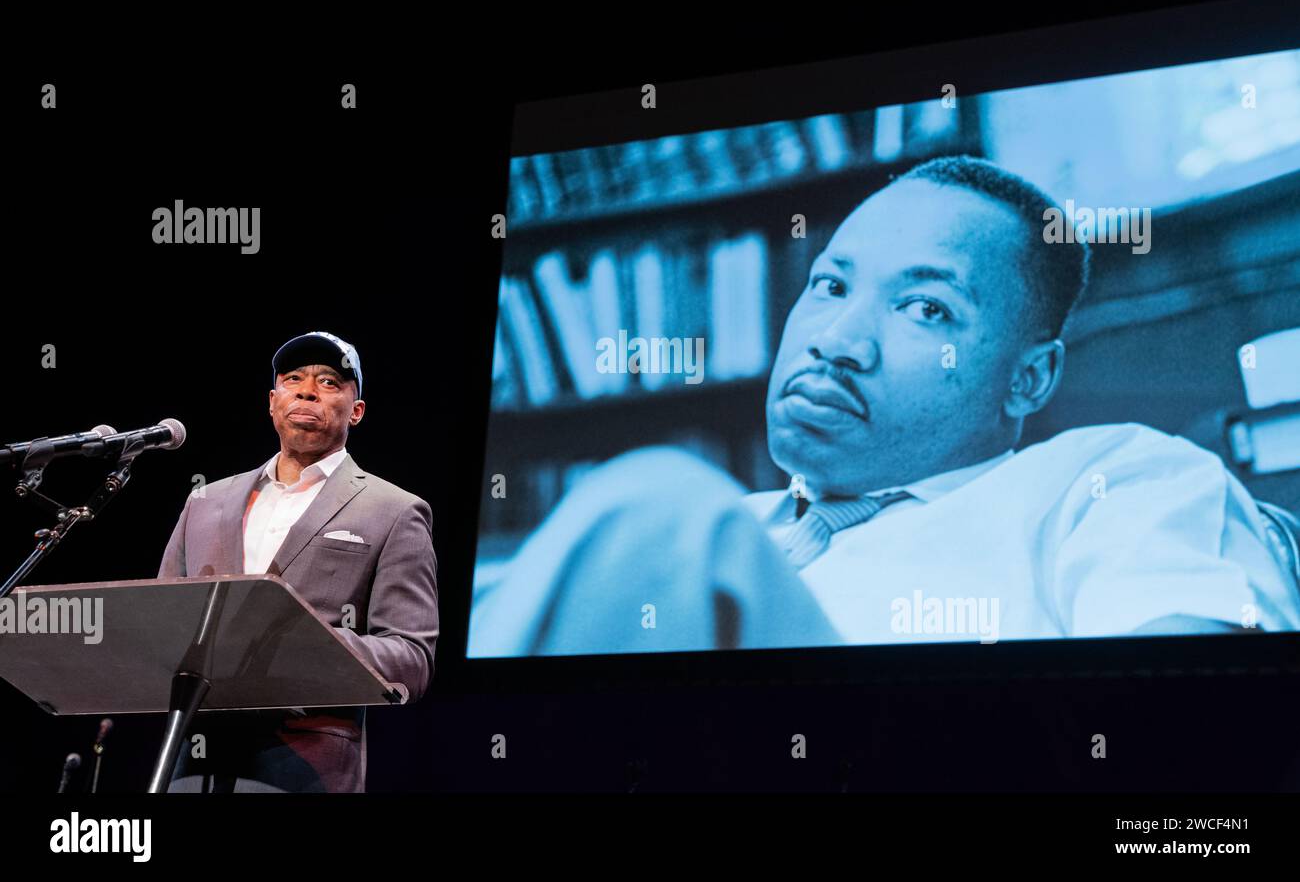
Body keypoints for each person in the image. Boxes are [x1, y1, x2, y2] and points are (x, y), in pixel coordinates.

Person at [468, 156, 1300, 656]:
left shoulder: (1112, 482)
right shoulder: (734, 536)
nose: (838, 340)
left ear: (1029, 379)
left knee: (653, 507)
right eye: (830, 285)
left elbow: (1190, 725)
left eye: (925, 308)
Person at [159, 331, 439, 791]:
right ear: (272, 402)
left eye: (330, 382)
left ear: (357, 410)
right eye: (293, 379)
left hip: (305, 762)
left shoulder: (394, 510)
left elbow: (411, 659)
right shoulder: (205, 501)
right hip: (193, 757)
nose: (308, 390)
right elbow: (163, 626)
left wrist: (310, 646)